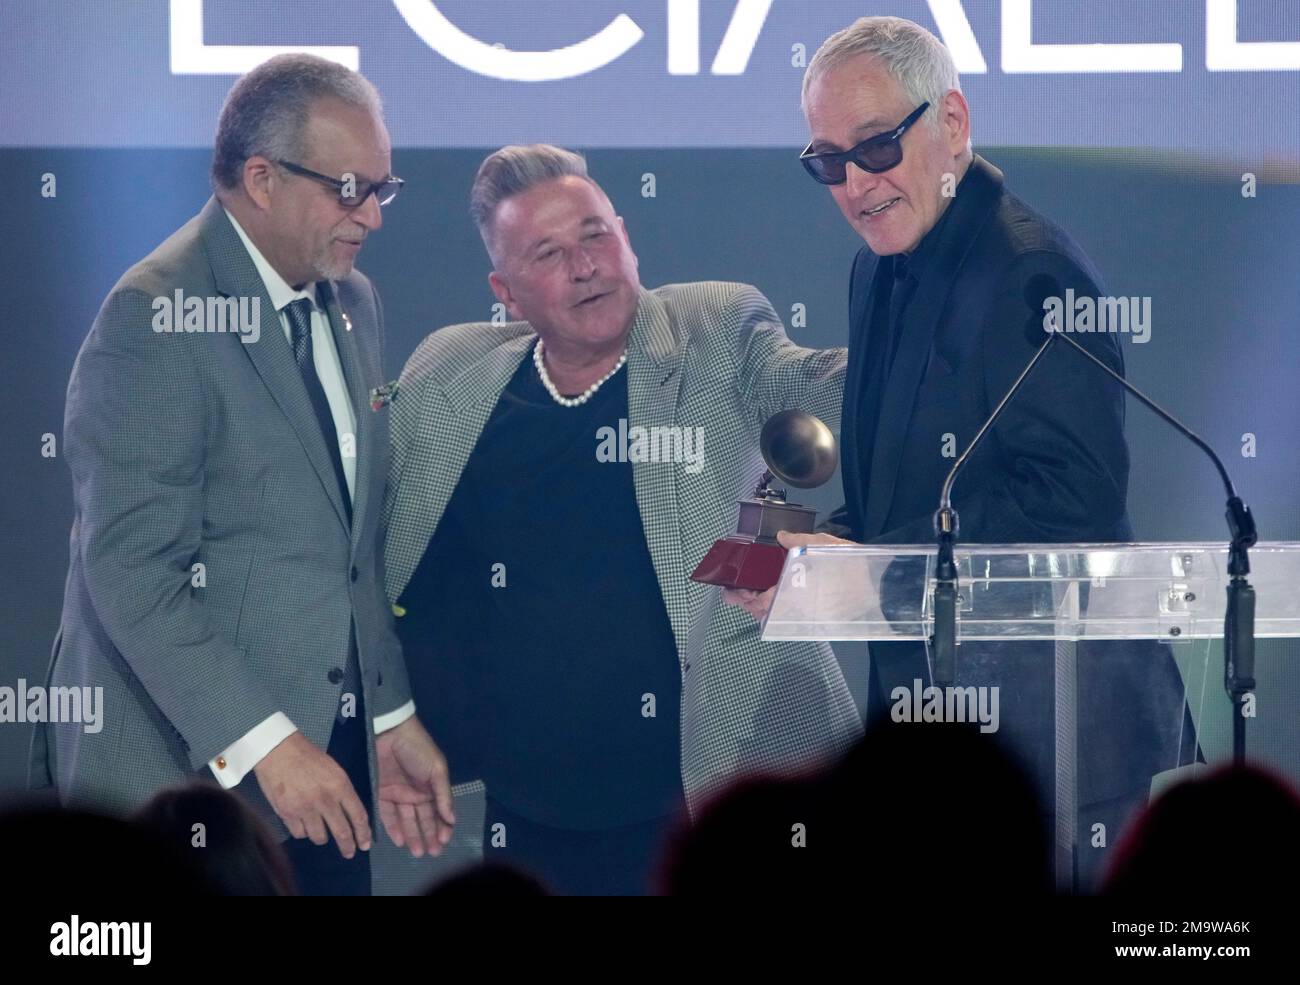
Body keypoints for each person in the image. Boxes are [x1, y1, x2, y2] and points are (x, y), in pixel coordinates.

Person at [725, 16, 1197, 890]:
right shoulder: (878, 266)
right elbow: (901, 491)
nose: (853, 186)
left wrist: (870, 564)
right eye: (827, 162)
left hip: (1058, 738)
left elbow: (1074, 503)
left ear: (952, 123)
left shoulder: (1031, 272)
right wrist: (811, 562)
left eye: (873, 148)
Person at [382, 144, 862, 894]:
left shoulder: (715, 329)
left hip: (720, 786)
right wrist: (388, 718)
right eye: (548, 252)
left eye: (595, 234)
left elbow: (826, 391)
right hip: (528, 814)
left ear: (628, 236)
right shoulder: (450, 373)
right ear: (505, 292)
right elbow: (382, 565)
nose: (585, 265)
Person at [30, 53, 454, 896]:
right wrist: (265, 741)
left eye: (382, 188)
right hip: (181, 777)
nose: (371, 215)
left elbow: (350, 549)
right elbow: (130, 570)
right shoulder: (155, 314)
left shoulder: (353, 302)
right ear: (260, 178)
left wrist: (390, 713)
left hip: (322, 767)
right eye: (348, 187)